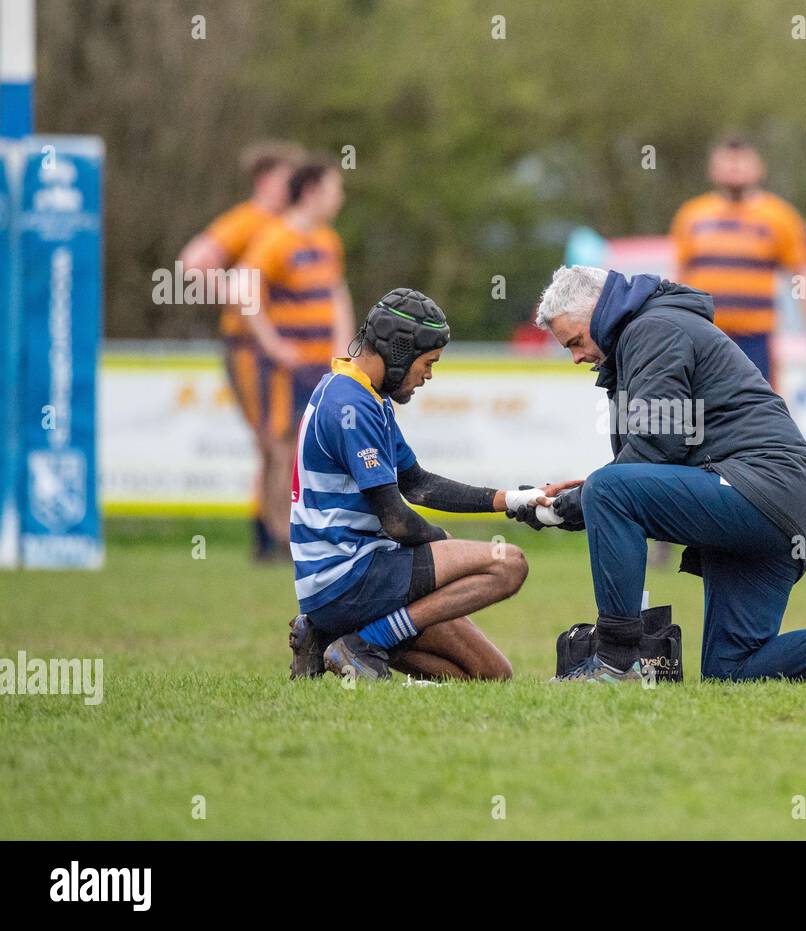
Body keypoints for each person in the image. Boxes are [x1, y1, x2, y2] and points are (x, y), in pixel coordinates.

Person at [520, 265, 806, 684]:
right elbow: (650, 459)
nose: (577, 356)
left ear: (597, 312)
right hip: (786, 504)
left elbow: (657, 445)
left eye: (576, 341)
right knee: (731, 671)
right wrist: (575, 502)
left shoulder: (653, 329)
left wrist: (575, 503)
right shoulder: (653, 329)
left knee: (608, 489)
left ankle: (616, 662)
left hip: (762, 491)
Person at [287, 288, 575, 681]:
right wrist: (442, 542)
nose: (429, 375)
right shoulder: (351, 406)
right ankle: (361, 643)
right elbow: (398, 521)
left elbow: (419, 484)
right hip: (350, 577)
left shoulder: (364, 394)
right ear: (401, 352)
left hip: (359, 578)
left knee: (491, 676)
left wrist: (516, 499)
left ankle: (328, 638)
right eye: (429, 362)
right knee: (508, 565)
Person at [178, 140, 303, 559]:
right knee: (273, 440)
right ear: (267, 180)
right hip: (250, 347)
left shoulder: (288, 225)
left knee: (281, 440)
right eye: (289, 178)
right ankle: (270, 535)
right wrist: (238, 298)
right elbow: (192, 263)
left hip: (279, 348)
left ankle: (272, 534)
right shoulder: (249, 220)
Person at [233, 158, 356, 554]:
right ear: (312, 192)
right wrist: (271, 344)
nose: (340, 198)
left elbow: (336, 293)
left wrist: (343, 343)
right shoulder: (276, 238)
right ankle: (276, 536)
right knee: (281, 444)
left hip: (322, 365)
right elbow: (242, 290)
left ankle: (302, 532)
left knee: (312, 446)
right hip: (286, 368)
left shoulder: (326, 240)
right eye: (335, 190)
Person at [669, 133, 806, 393]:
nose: (735, 168)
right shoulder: (692, 216)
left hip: (755, 342)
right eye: (727, 161)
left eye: (742, 161)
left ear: (759, 168)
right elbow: (677, 282)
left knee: (759, 419)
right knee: (702, 420)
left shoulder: (779, 217)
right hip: (702, 338)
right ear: (712, 169)